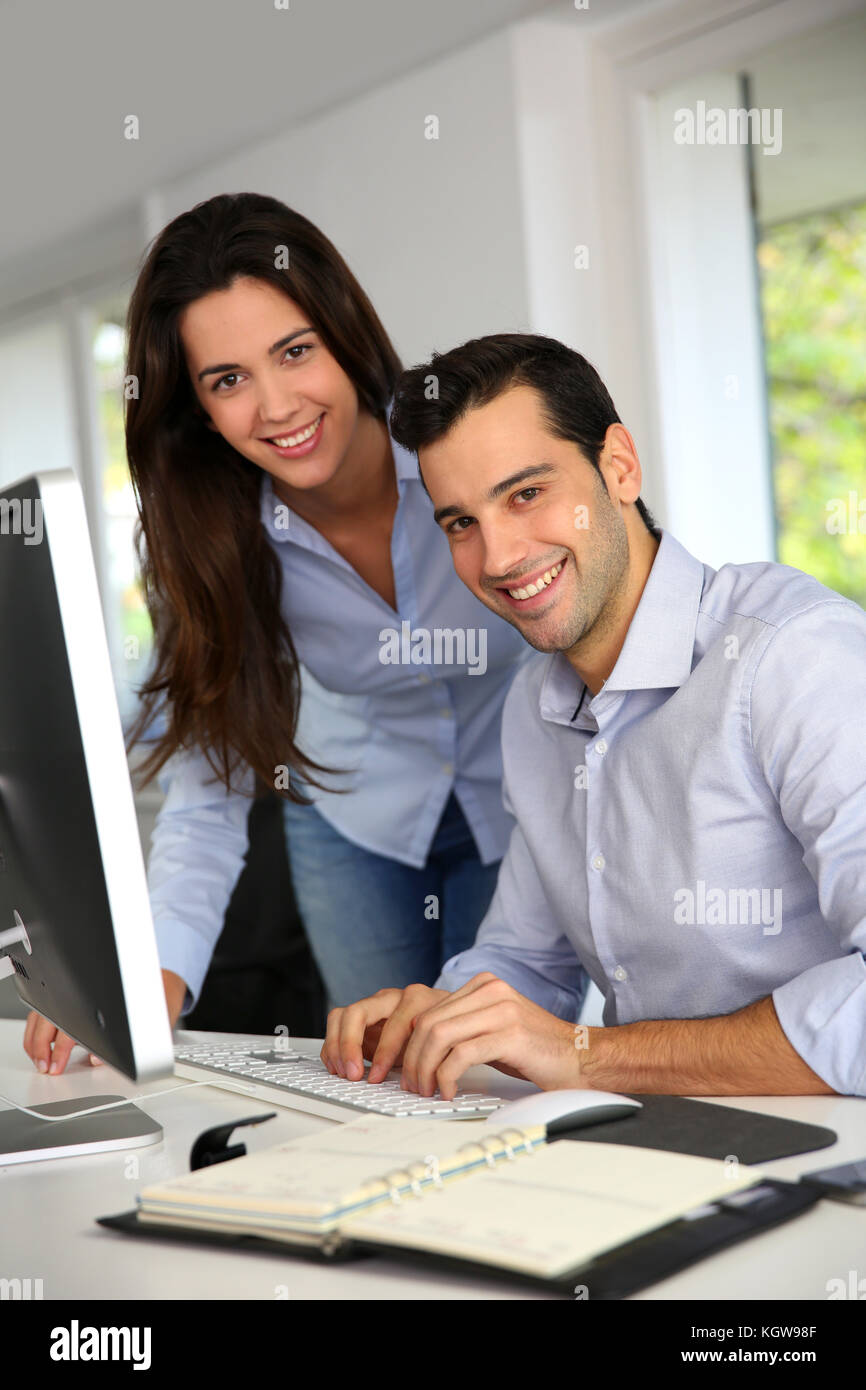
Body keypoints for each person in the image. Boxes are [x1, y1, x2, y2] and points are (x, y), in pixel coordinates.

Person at [22, 193, 529, 1077]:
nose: (276, 405)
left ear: (343, 333)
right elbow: (208, 792)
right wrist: (152, 981)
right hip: (357, 825)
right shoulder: (213, 543)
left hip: (524, 807)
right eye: (228, 380)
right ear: (199, 410)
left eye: (294, 352)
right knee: (382, 1079)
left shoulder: (460, 450)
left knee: (493, 1074)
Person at [321, 333, 866, 1099]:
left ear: (619, 466)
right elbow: (529, 962)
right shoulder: (531, 707)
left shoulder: (795, 658)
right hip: (654, 1148)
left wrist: (589, 1056)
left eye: (526, 494)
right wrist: (439, 1017)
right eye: (460, 524)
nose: (500, 556)